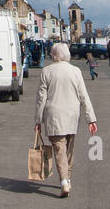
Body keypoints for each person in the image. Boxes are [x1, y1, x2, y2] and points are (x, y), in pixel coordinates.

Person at [34, 41, 97, 197]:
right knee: (68, 149)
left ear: (54, 55)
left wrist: (38, 120)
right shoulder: (75, 71)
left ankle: (64, 181)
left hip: (54, 115)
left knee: (59, 148)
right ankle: (67, 178)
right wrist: (91, 119)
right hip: (72, 115)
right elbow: (84, 96)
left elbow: (41, 99)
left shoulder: (46, 71)